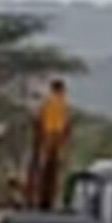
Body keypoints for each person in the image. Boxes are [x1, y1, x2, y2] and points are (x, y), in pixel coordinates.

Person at [25, 79, 72, 210]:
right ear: (60, 89)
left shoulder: (53, 103)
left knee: (45, 171)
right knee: (47, 171)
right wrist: (54, 142)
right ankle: (41, 201)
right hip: (51, 140)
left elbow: (63, 125)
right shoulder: (56, 103)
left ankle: (41, 201)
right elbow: (56, 126)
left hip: (51, 140)